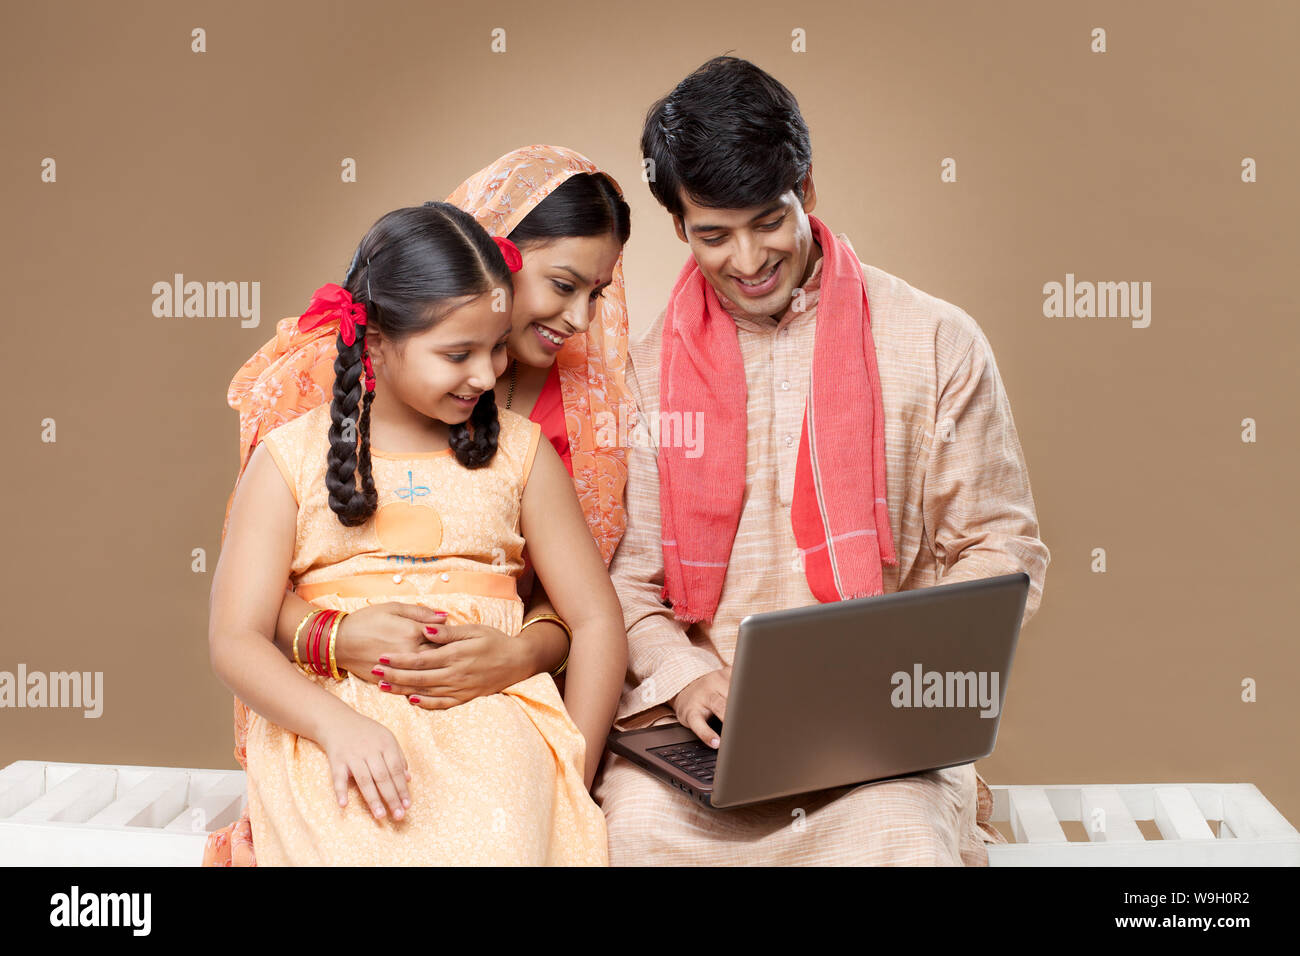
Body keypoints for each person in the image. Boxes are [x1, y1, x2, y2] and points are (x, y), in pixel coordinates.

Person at [596, 56, 1051, 865]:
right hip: (701, 731)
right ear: (679, 228)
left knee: (899, 840)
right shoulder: (640, 373)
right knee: (628, 836)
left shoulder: (935, 340)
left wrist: (894, 672)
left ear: (805, 189)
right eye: (713, 234)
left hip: (877, 740)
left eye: (767, 221)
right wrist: (682, 677)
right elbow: (627, 585)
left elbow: (1000, 546)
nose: (746, 260)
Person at [203, 146, 634, 866]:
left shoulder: (522, 454)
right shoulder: (293, 454)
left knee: (499, 834)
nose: (487, 374)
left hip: (492, 726)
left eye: (496, 350)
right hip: (332, 725)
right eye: (458, 353)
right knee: (353, 834)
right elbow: (235, 633)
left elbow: (593, 619)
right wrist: (336, 723)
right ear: (375, 342)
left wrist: (573, 774)